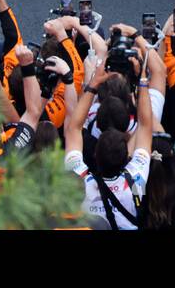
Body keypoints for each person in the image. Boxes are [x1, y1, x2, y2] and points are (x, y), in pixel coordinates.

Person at [63, 56, 156, 230]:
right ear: (126, 157)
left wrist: (94, 84)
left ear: (95, 155)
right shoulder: (136, 178)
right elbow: (145, 125)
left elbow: (73, 129)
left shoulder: (81, 183)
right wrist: (142, 80)